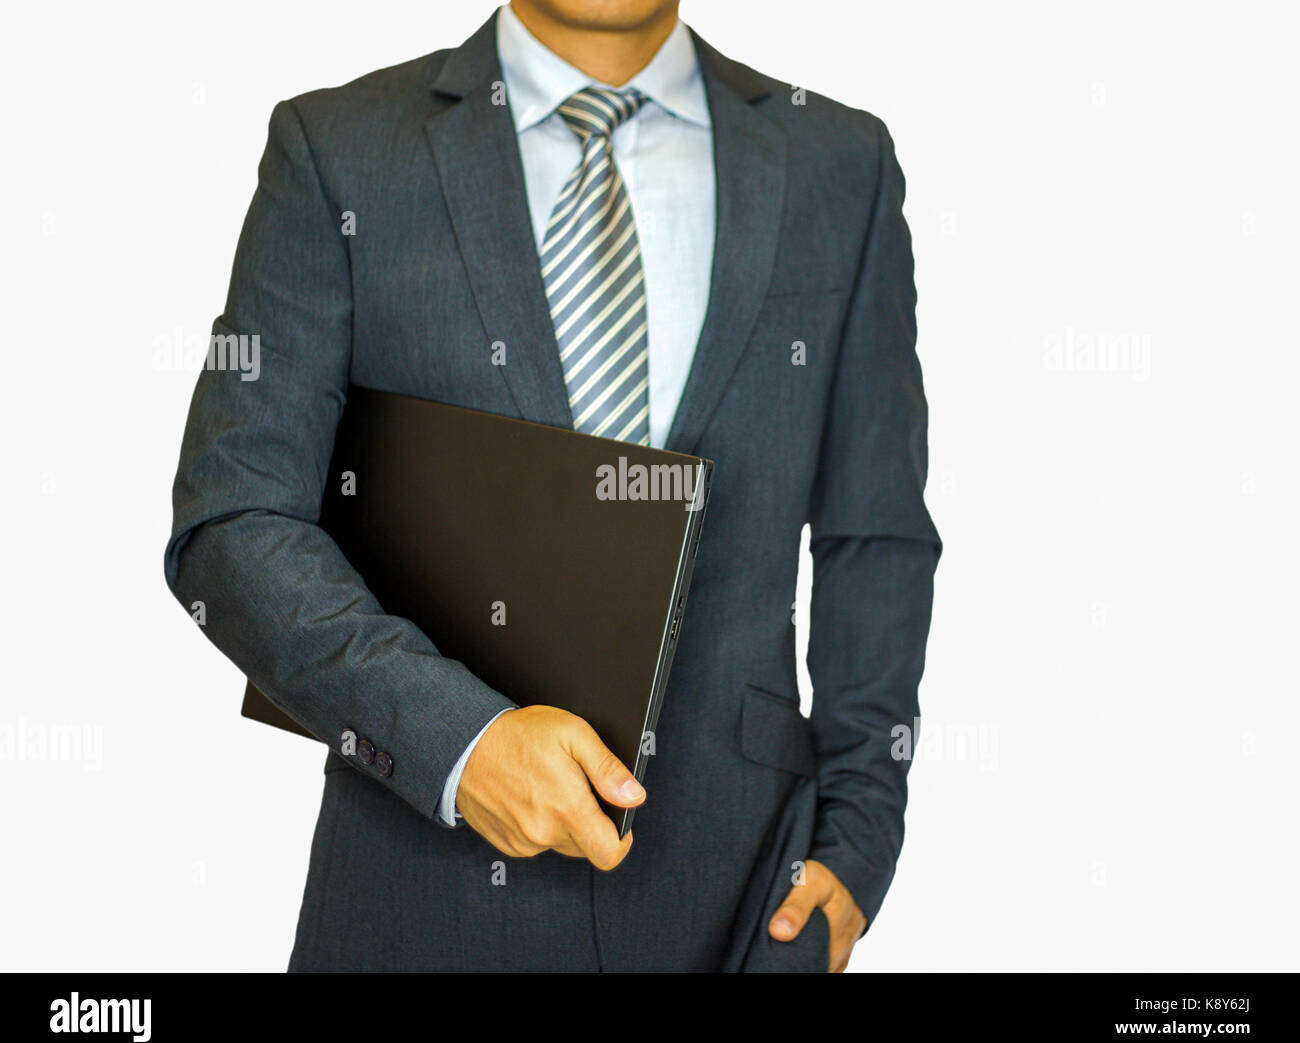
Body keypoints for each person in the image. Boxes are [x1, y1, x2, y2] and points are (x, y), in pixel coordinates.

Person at [164, 0, 940, 972]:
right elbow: (234, 518)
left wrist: (858, 844)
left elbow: (877, 534)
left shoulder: (838, 162)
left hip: (740, 898)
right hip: (418, 887)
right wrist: (460, 742)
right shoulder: (338, 150)